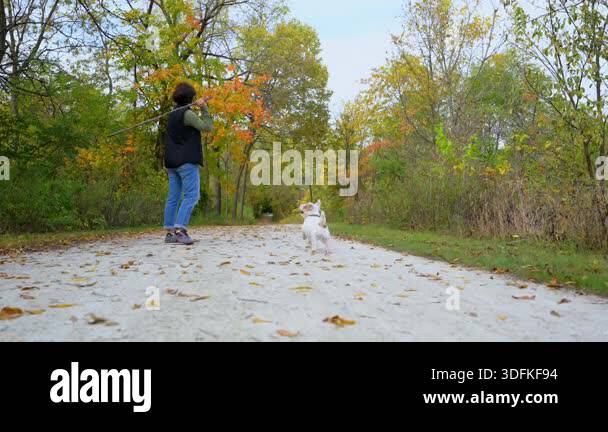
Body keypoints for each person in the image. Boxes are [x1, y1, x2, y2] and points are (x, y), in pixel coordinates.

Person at [163, 82, 214, 245]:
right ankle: (180, 230)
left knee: (174, 197)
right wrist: (204, 108)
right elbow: (207, 127)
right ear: (190, 98)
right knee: (192, 195)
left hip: (172, 162)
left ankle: (170, 233)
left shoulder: (173, 114)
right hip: (186, 161)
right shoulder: (187, 114)